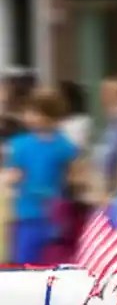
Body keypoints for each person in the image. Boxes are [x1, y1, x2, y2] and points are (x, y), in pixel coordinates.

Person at [1, 88, 80, 264]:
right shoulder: (20, 144)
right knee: (25, 263)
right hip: (27, 213)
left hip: (53, 214)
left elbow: (73, 176)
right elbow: (12, 174)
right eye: (29, 112)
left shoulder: (64, 146)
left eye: (35, 112)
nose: (30, 117)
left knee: (49, 261)